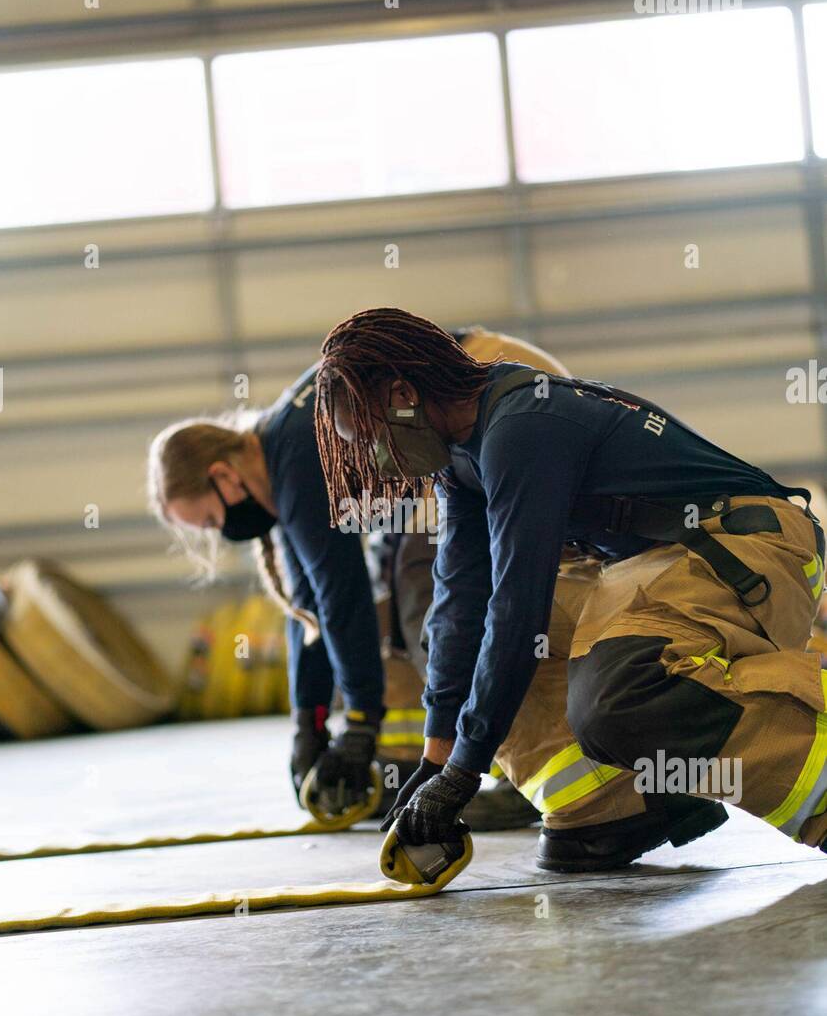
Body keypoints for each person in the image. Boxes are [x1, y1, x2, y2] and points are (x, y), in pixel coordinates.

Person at [313, 306, 827, 871]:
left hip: (739, 545)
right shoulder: (462, 456)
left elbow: (517, 608)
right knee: (455, 643)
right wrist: (434, 764)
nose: (376, 459)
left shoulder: (522, 426)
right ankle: (615, 808)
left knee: (620, 692)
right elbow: (460, 603)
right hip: (645, 563)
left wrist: (465, 771)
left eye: (371, 435)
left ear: (403, 393)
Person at [147, 327, 570, 826]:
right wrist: (309, 725)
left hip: (502, 395)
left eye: (214, 521)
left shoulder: (294, 456)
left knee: (429, 595)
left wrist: (359, 728)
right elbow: (307, 607)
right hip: (470, 413)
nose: (226, 534)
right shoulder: (277, 455)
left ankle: (533, 768)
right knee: (395, 590)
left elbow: (338, 596)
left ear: (223, 476)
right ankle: (429, 756)